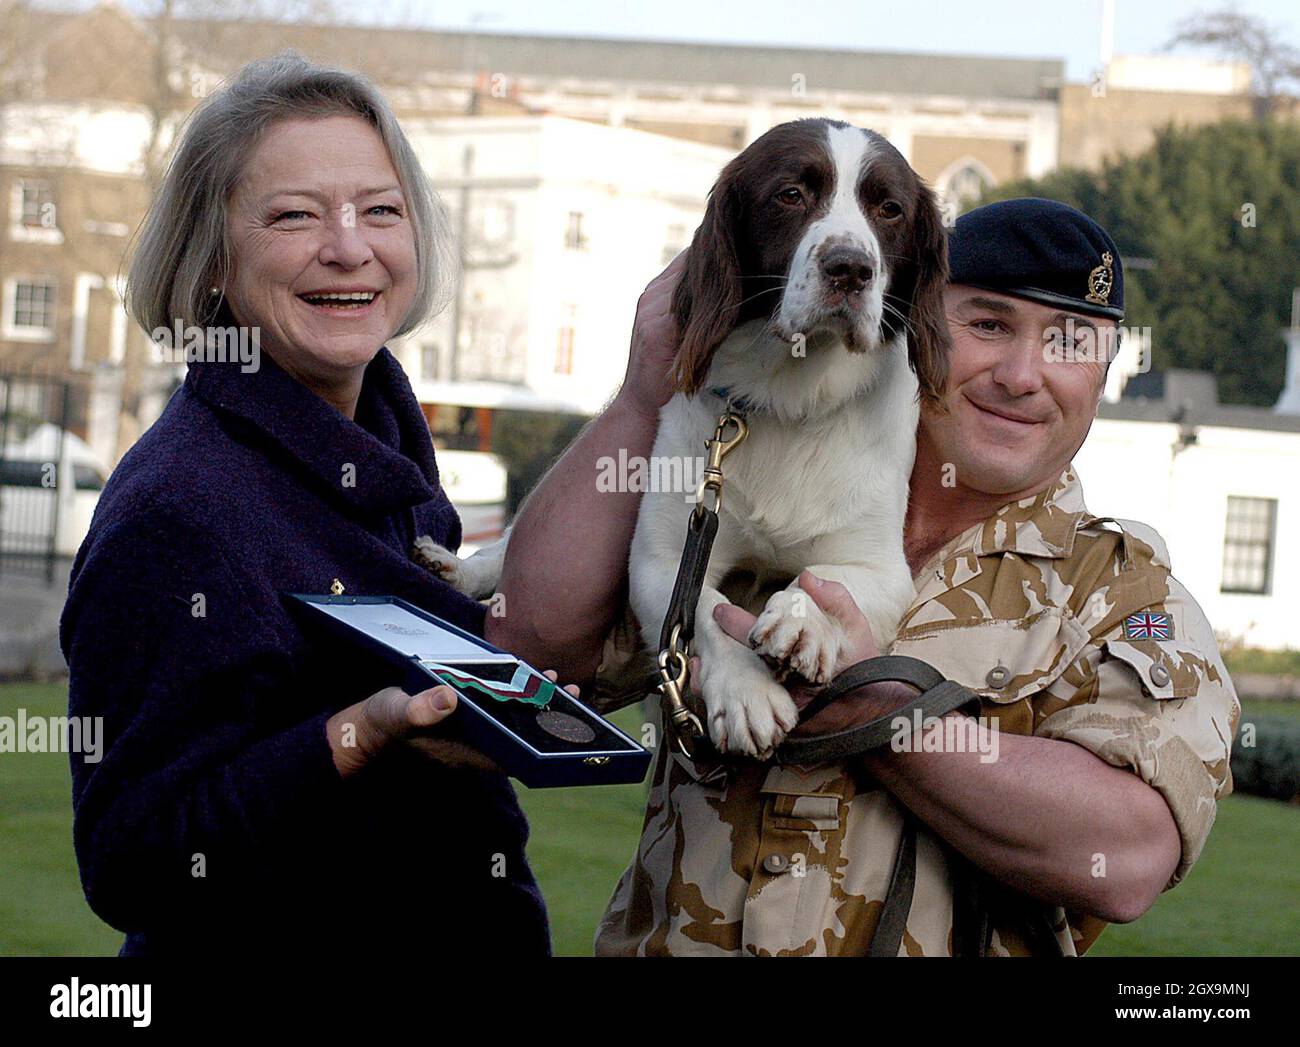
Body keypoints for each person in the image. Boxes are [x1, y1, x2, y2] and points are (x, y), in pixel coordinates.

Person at [61, 52, 667, 956]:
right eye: (295, 215)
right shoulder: (180, 510)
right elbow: (132, 860)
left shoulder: (387, 458)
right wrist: (356, 736)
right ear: (213, 260)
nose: (350, 247)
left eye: (380, 210)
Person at [593, 198, 1241, 956]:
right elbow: (539, 639)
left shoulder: (1122, 593)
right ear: (913, 325)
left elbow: (1125, 856)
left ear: (1105, 372)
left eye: (1070, 342)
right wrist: (646, 390)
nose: (1022, 375)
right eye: (989, 325)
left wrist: (878, 712)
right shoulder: (747, 491)